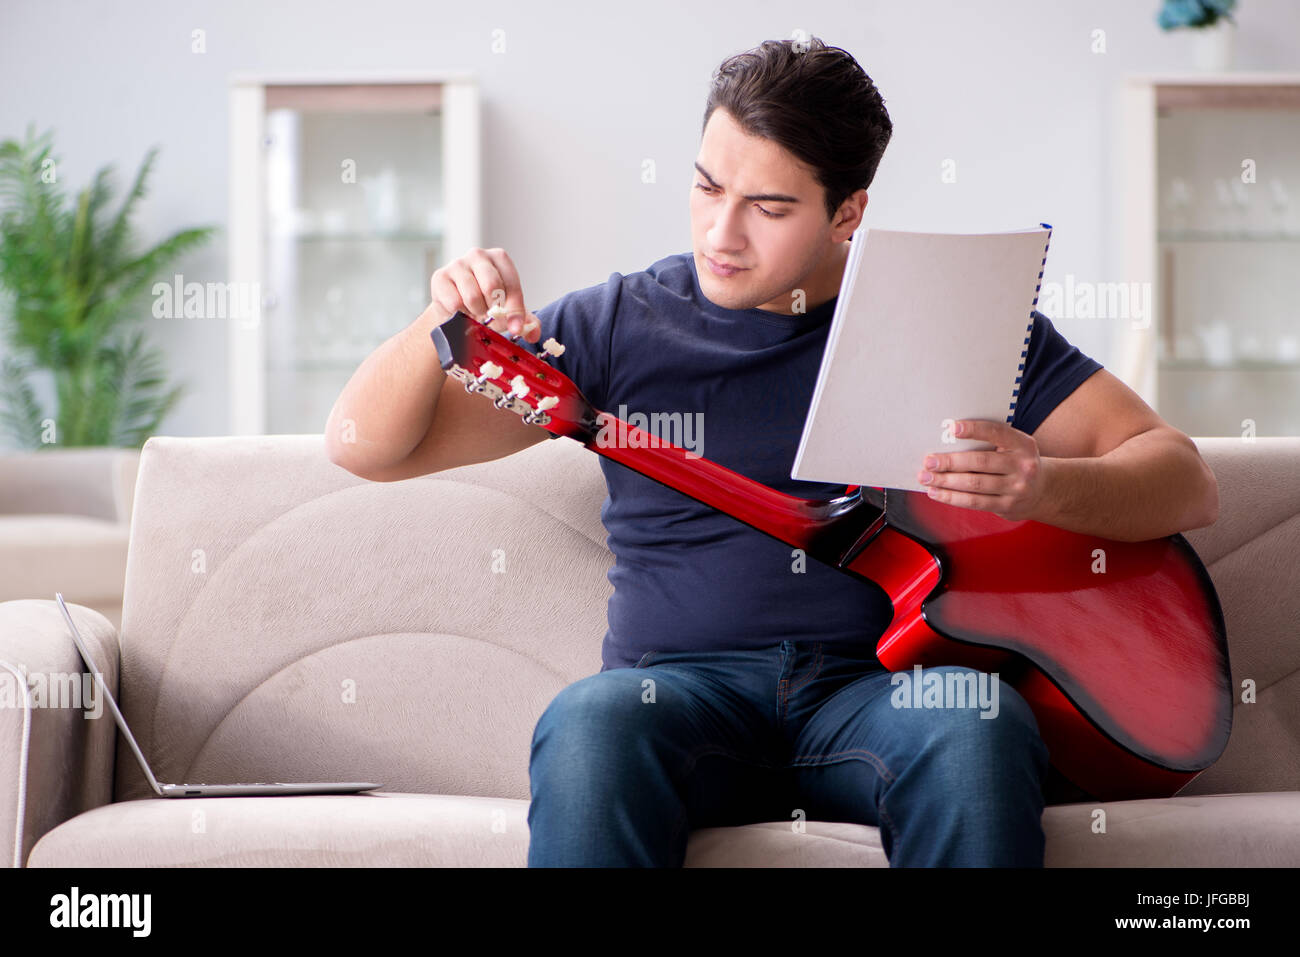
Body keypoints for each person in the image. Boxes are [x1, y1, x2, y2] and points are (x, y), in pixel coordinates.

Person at [326, 37, 1220, 867]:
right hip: (673, 695)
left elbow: (1183, 479)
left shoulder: (951, 322)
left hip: (881, 689)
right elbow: (364, 447)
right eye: (708, 186)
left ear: (849, 212)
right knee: (592, 720)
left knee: (977, 719)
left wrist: (1040, 483)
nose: (722, 233)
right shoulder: (610, 324)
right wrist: (439, 324)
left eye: (770, 205)